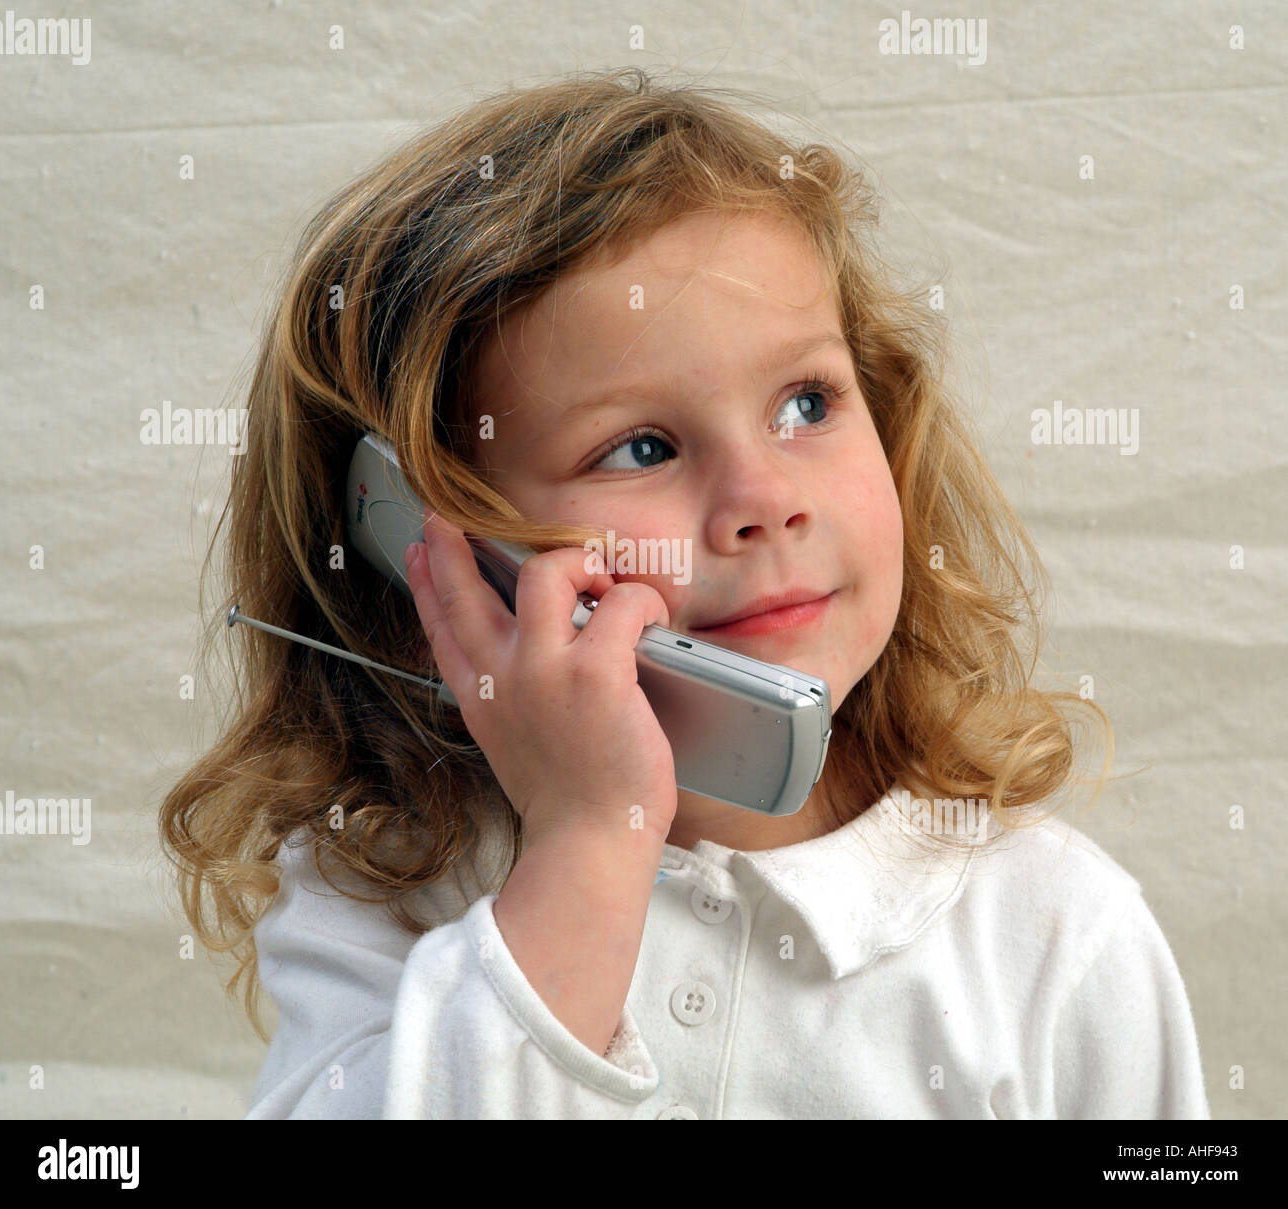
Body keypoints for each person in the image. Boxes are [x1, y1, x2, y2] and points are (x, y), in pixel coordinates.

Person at [160, 67, 1209, 1120]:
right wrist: (584, 840)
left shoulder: (1054, 938)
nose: (765, 500)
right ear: (427, 548)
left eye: (806, 402)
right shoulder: (383, 893)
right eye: (643, 446)